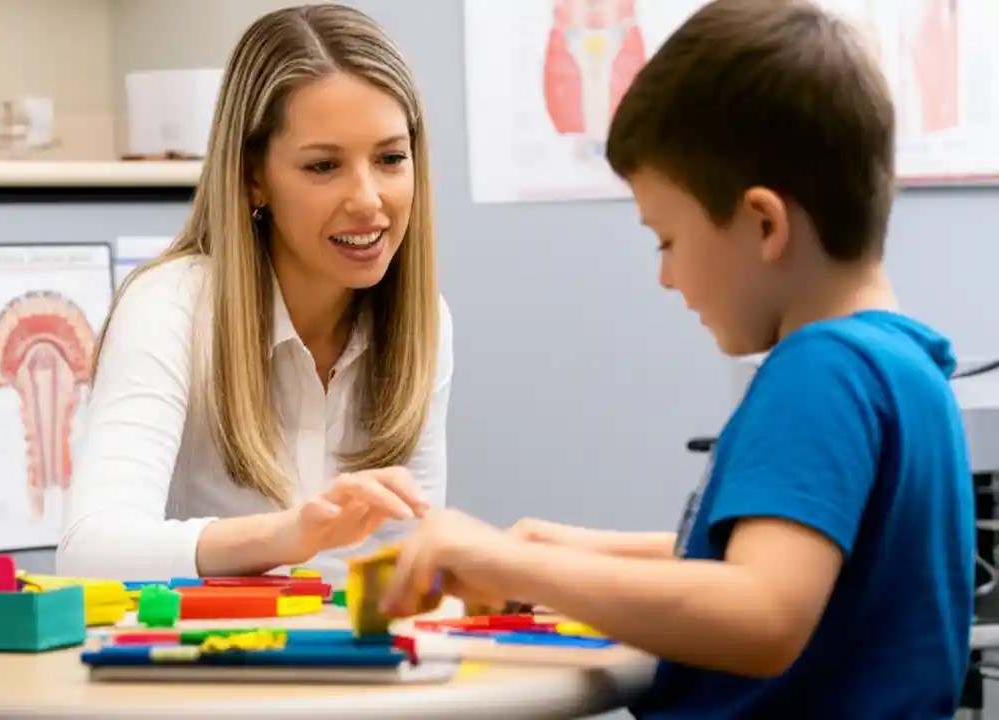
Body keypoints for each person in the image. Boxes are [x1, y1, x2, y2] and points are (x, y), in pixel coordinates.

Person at [380, 0, 974, 717]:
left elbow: (761, 611)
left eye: (665, 239)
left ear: (763, 223)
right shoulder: (907, 368)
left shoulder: (822, 371)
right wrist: (564, 553)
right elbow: (788, 562)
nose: (665, 276)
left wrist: (508, 561)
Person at [56, 4, 453, 585]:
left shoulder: (424, 324)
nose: (369, 199)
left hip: (352, 666)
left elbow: (403, 570)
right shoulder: (171, 307)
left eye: (391, 158)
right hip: (203, 668)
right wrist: (287, 537)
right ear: (252, 177)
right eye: (324, 166)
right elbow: (90, 552)